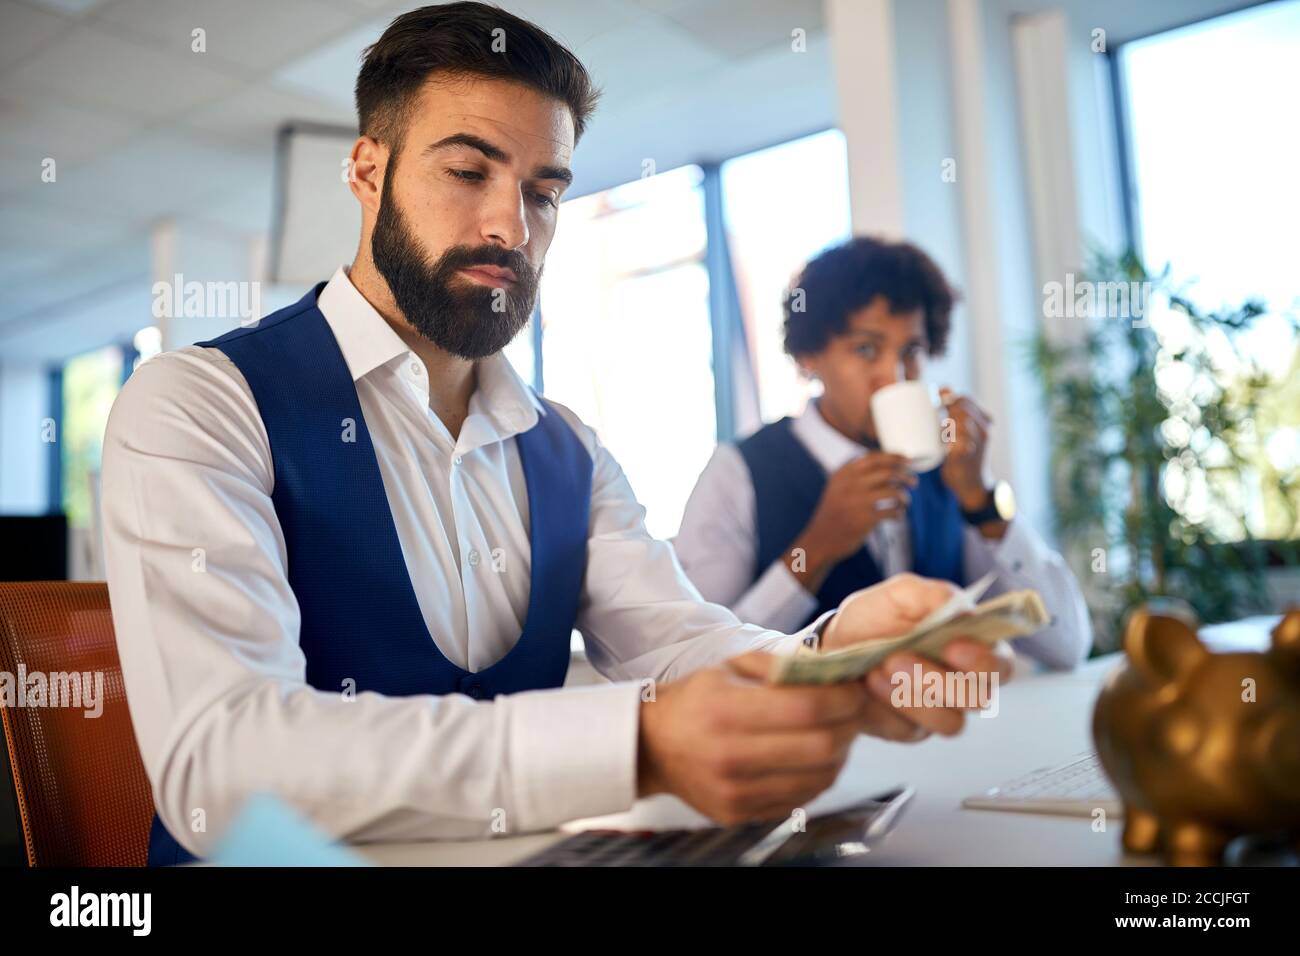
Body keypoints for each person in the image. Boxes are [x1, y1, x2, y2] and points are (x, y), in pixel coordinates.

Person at [101, 4, 1011, 865]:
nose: (511, 225)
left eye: (544, 191)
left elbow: (680, 641)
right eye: (468, 172)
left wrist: (837, 655)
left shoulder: (566, 448)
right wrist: (638, 743)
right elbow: (219, 768)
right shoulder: (199, 405)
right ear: (367, 171)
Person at [675, 236, 1092, 670]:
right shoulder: (738, 473)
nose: (894, 378)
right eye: (866, 349)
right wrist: (815, 549)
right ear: (809, 356)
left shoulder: (949, 470)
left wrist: (981, 501)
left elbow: (1068, 645)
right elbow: (695, 665)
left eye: (910, 352)